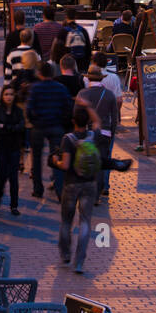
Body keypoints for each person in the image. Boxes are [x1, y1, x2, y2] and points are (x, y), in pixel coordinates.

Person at [56, 106, 101, 273]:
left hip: (71, 184)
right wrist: (89, 107)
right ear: (87, 121)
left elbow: (65, 165)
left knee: (66, 221)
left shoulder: (68, 139)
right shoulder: (92, 136)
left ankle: (65, 254)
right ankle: (80, 261)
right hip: (89, 184)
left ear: (73, 121)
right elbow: (97, 121)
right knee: (85, 222)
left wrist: (56, 161)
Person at [25, 63, 72, 199]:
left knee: (37, 159)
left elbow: (29, 109)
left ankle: (38, 189)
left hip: (39, 127)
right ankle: (59, 190)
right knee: (57, 158)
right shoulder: (61, 88)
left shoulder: (35, 88)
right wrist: (61, 121)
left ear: (39, 73)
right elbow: (67, 107)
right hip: (56, 127)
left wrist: (35, 122)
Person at [76, 65, 119, 200]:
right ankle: (98, 194)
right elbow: (114, 118)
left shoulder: (82, 94)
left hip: (86, 133)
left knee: (85, 161)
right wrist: (111, 133)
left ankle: (87, 191)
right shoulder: (109, 94)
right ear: (101, 78)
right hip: (104, 133)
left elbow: (75, 114)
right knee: (100, 163)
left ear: (88, 79)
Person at [0, 85, 25, 215]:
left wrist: (5, 126)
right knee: (2, 175)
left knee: (13, 177)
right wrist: (12, 127)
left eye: (11, 94)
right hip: (1, 147)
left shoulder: (18, 111)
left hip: (14, 148)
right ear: (2, 96)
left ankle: (14, 205)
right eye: (6, 94)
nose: (9, 97)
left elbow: (21, 127)